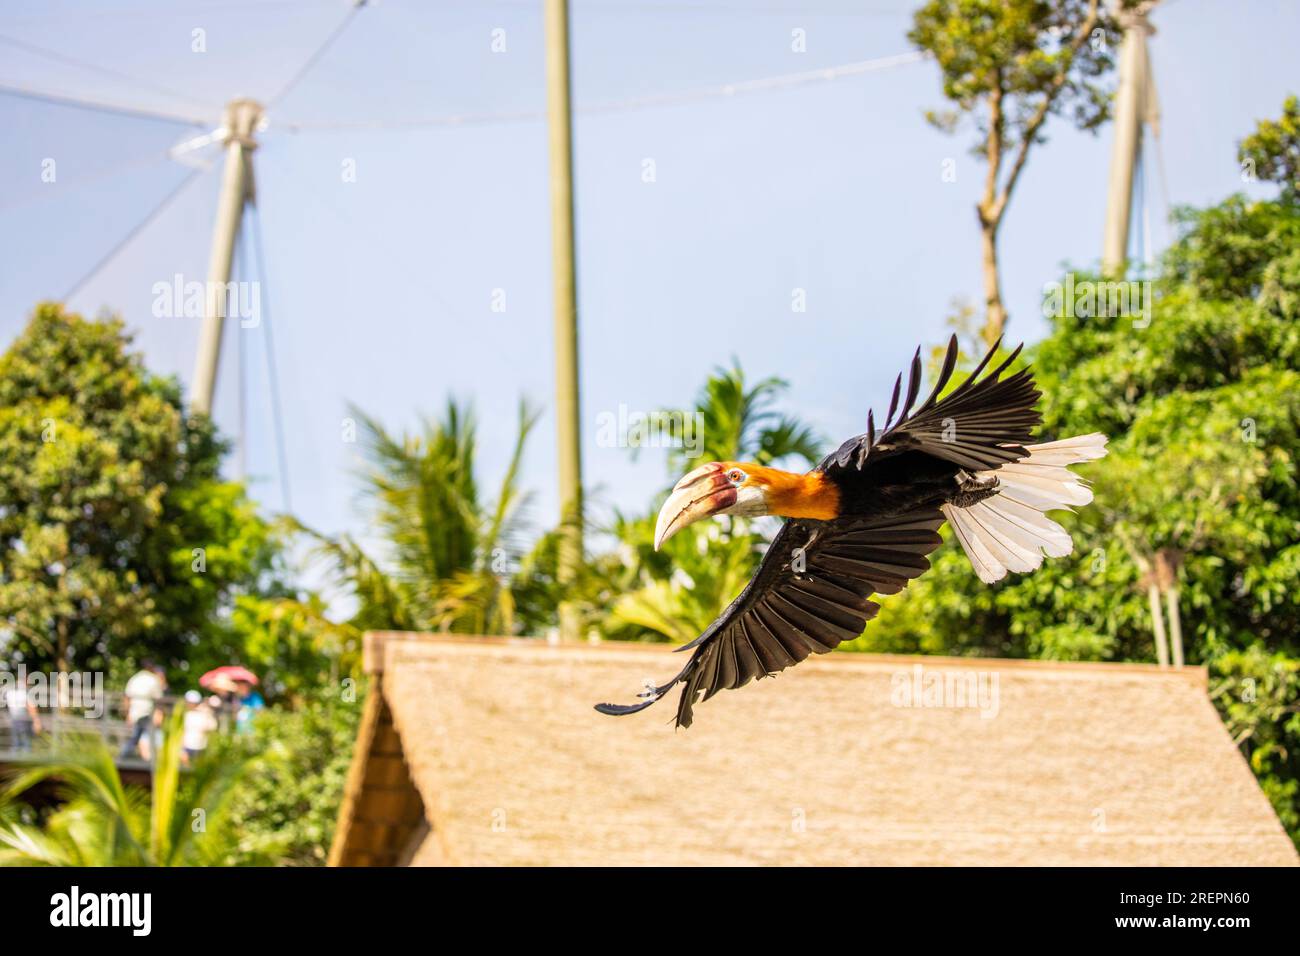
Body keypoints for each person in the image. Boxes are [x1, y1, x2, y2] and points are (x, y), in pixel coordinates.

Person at [120, 661, 166, 760]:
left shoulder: (134, 678)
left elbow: (127, 697)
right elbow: (159, 699)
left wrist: (127, 714)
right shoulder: (153, 679)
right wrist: (159, 714)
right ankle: (150, 762)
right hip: (147, 714)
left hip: (134, 714)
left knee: (133, 739)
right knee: (148, 739)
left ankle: (122, 759)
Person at [4, 677, 41, 752]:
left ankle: (17, 758)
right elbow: (31, 706)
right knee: (25, 743)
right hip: (23, 720)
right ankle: (25, 759)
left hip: (15, 719)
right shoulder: (24, 691)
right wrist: (36, 720)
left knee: (16, 743)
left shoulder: (10, 691)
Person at [181, 690, 218, 764]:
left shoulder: (204, 714)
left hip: (200, 746)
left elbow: (212, 727)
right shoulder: (183, 714)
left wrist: (208, 712)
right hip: (186, 747)